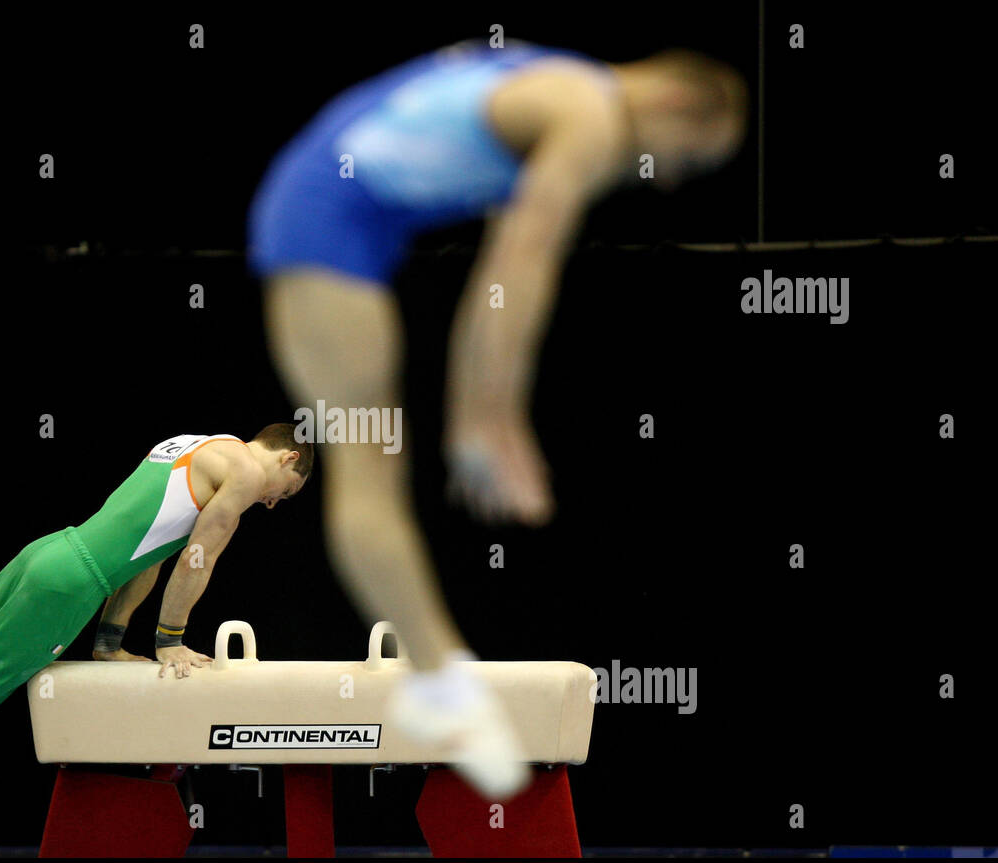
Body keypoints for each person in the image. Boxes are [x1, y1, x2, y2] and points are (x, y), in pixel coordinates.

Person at [250, 39, 747, 797]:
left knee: (372, 471)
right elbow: (519, 261)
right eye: (692, 160)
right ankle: (442, 680)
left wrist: (482, 409)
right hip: (326, 217)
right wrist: (488, 414)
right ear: (679, 103)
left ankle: (437, 675)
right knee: (368, 473)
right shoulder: (592, 112)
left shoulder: (558, 78)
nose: (672, 180)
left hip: (341, 208)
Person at [0, 425, 311, 851]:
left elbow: (151, 556)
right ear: (290, 456)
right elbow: (196, 560)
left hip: (50, 552)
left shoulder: (194, 444)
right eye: (286, 491)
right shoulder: (244, 474)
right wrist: (170, 640)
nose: (271, 502)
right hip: (70, 586)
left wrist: (109, 642)